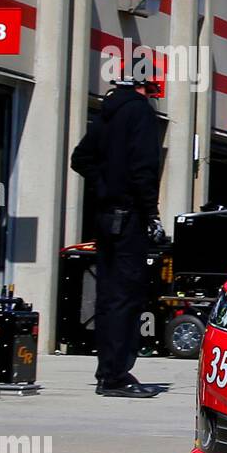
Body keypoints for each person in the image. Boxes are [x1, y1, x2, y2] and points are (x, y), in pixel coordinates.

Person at [70, 77, 165, 398]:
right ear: (143, 88)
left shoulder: (107, 113)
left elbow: (80, 158)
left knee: (109, 295)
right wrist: (151, 212)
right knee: (128, 295)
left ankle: (107, 370)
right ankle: (116, 375)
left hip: (106, 218)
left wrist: (105, 185)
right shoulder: (140, 114)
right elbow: (144, 168)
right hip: (130, 219)